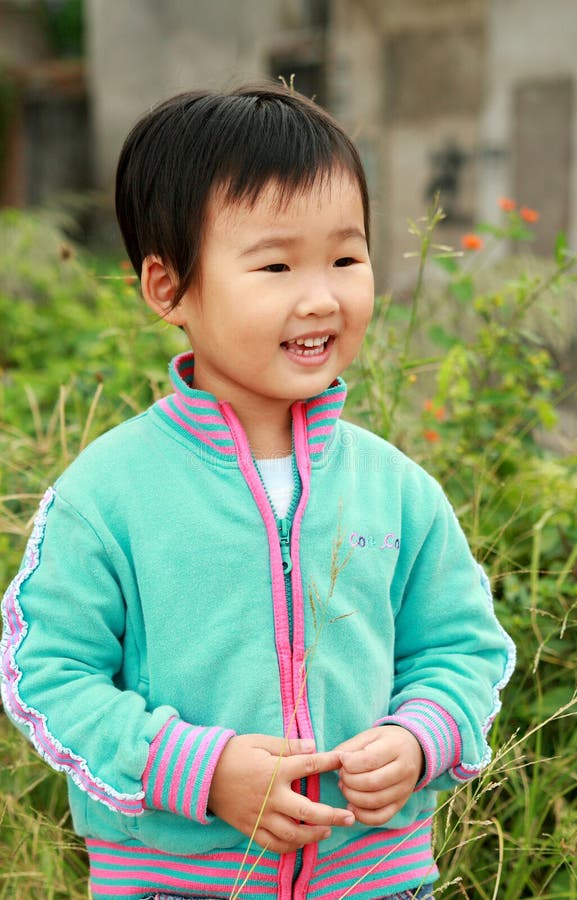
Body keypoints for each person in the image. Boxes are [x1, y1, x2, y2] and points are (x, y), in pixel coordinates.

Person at [1, 84, 515, 900]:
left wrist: (422, 739)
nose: (320, 297)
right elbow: (45, 673)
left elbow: (463, 649)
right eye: (276, 265)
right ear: (167, 288)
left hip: (379, 881)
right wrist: (198, 772)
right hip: (178, 883)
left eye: (346, 258)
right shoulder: (109, 493)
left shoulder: (398, 489)